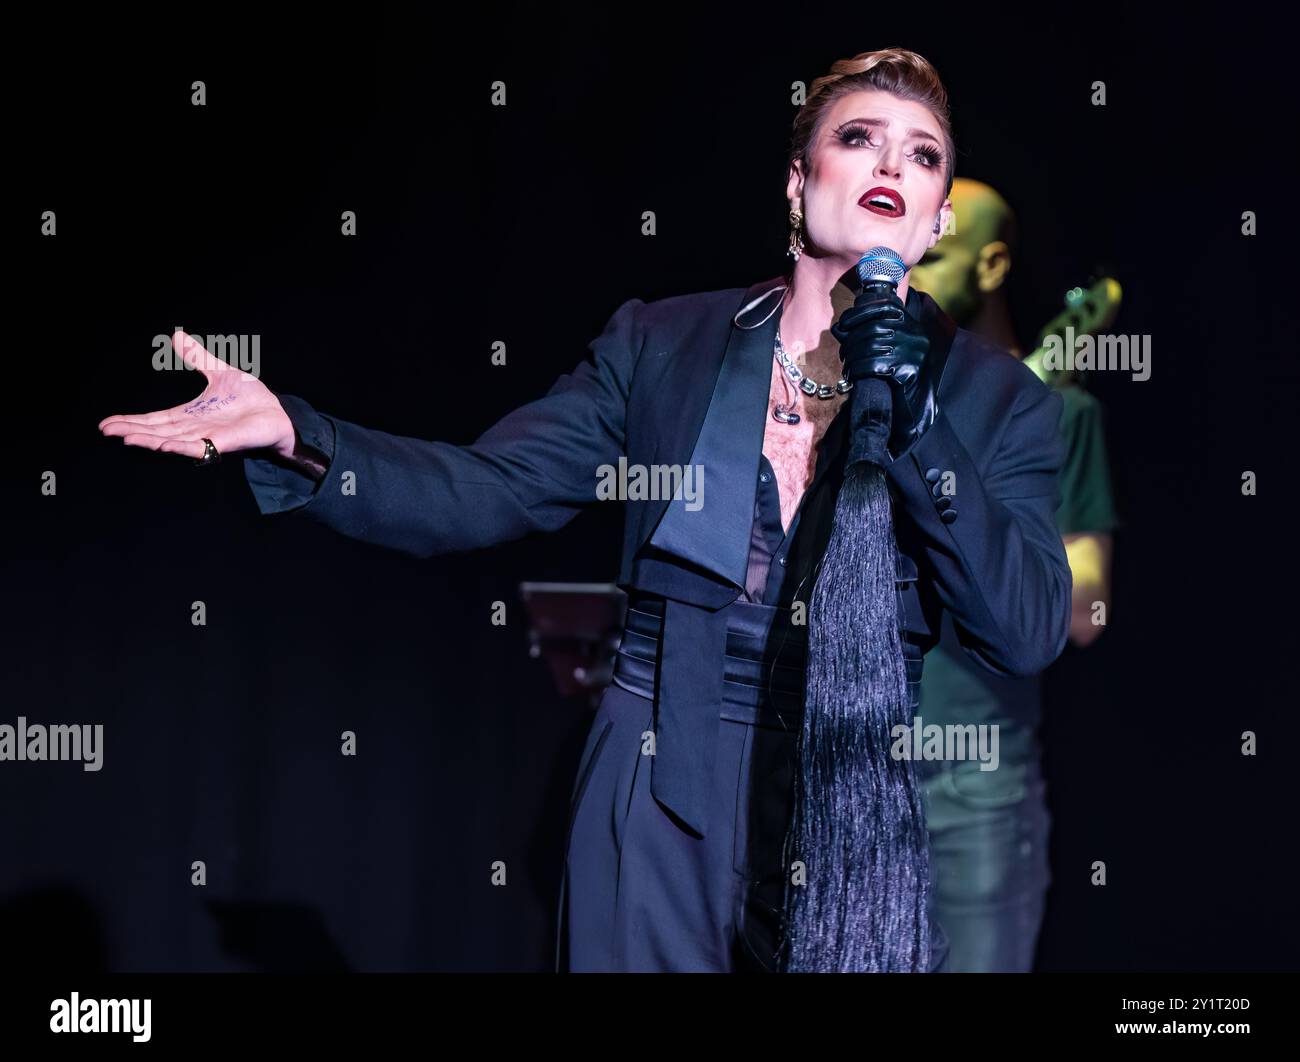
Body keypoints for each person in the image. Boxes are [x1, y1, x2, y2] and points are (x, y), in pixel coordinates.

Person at [98, 48, 1071, 973]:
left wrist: (919, 424)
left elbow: (1022, 627)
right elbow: (488, 489)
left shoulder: (997, 402)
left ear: (938, 220)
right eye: (859, 137)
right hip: (654, 785)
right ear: (796, 181)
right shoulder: (665, 344)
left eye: (922, 154)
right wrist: (296, 435)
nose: (889, 163)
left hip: (850, 804)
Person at [910, 178, 1118, 971]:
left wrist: (991, 505)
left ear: (991, 265)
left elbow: (1084, 615)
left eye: (930, 255)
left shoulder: (1061, 416)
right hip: (853, 771)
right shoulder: (874, 403)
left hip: (974, 785)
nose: (902, 274)